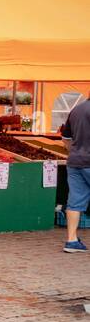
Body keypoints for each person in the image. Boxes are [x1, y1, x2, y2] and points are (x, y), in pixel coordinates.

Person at [61, 97, 90, 252]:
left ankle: (71, 240)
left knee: (75, 202)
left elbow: (65, 139)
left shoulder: (76, 109)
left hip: (75, 162)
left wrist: (75, 151)